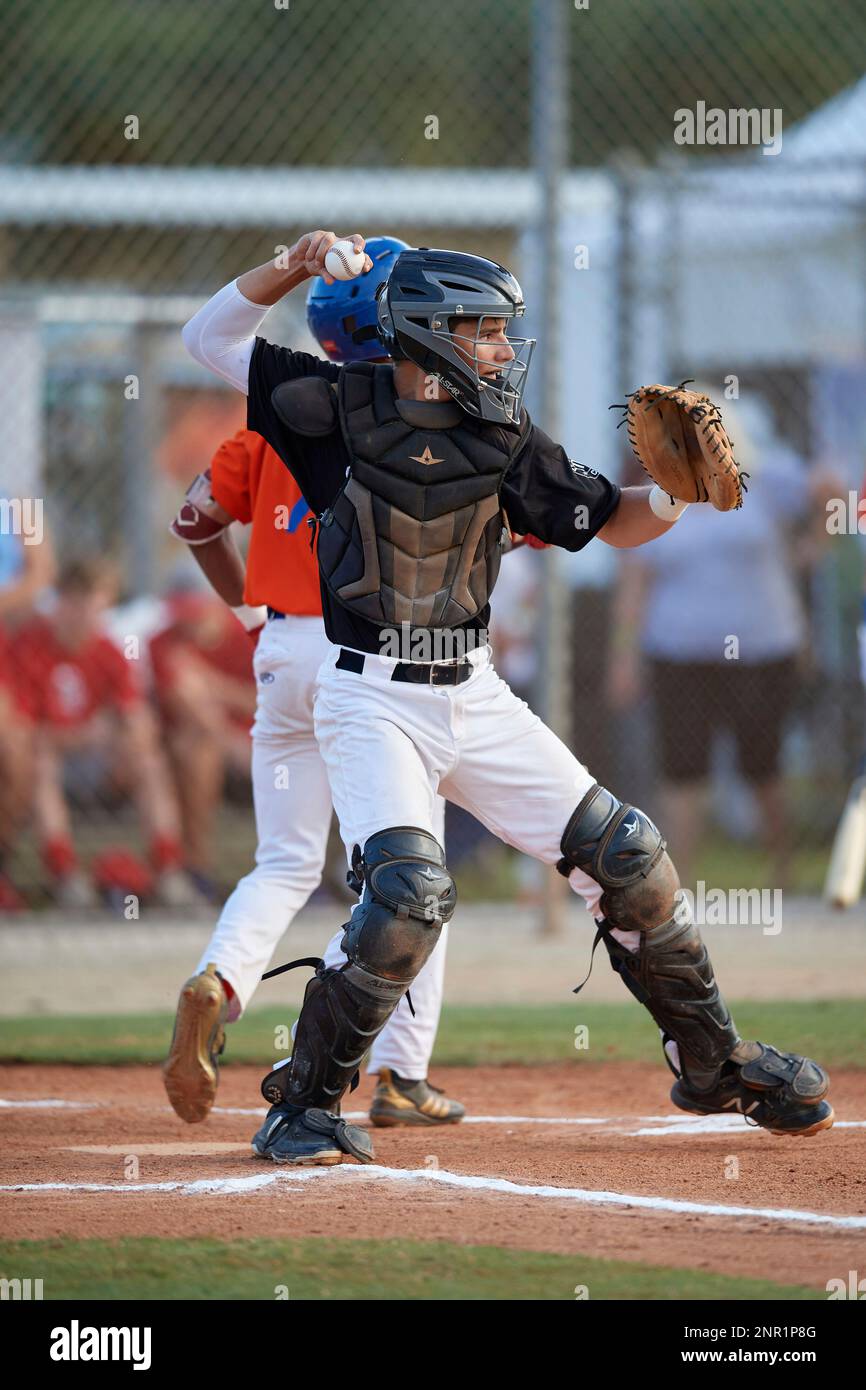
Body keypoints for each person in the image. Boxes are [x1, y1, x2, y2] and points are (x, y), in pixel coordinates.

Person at [182, 232, 834, 1167]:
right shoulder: (325, 406)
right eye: (480, 328)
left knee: (630, 859)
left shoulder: (504, 433)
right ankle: (305, 1106)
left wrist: (681, 494)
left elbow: (611, 521)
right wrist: (291, 263)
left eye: (498, 330)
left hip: (473, 692)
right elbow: (208, 336)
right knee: (408, 896)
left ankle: (714, 1063)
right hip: (368, 698)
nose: (498, 347)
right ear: (422, 331)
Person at [164, 238, 464, 1129]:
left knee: (287, 860)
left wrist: (254, 614)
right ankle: (398, 1076)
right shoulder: (417, 427)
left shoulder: (270, 420)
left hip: (283, 653)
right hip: (367, 662)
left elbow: (193, 525)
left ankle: (220, 980)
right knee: (411, 873)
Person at [608, 393, 841, 890]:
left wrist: (811, 548)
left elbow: (831, 488)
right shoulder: (659, 490)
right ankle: (680, 883)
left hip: (762, 648)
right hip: (678, 651)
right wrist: (624, 655)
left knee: (763, 764)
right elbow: (635, 583)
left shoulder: (764, 476)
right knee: (683, 768)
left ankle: (785, 874)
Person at [10, 556, 200, 909]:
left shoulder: (110, 650)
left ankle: (169, 869)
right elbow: (26, 735)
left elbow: (135, 718)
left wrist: (129, 738)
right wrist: (85, 734)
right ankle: (64, 874)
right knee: (41, 761)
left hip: (98, 764)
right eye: (76, 605)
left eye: (95, 607)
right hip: (51, 764)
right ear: (61, 603)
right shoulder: (29, 646)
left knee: (149, 762)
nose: (85, 618)